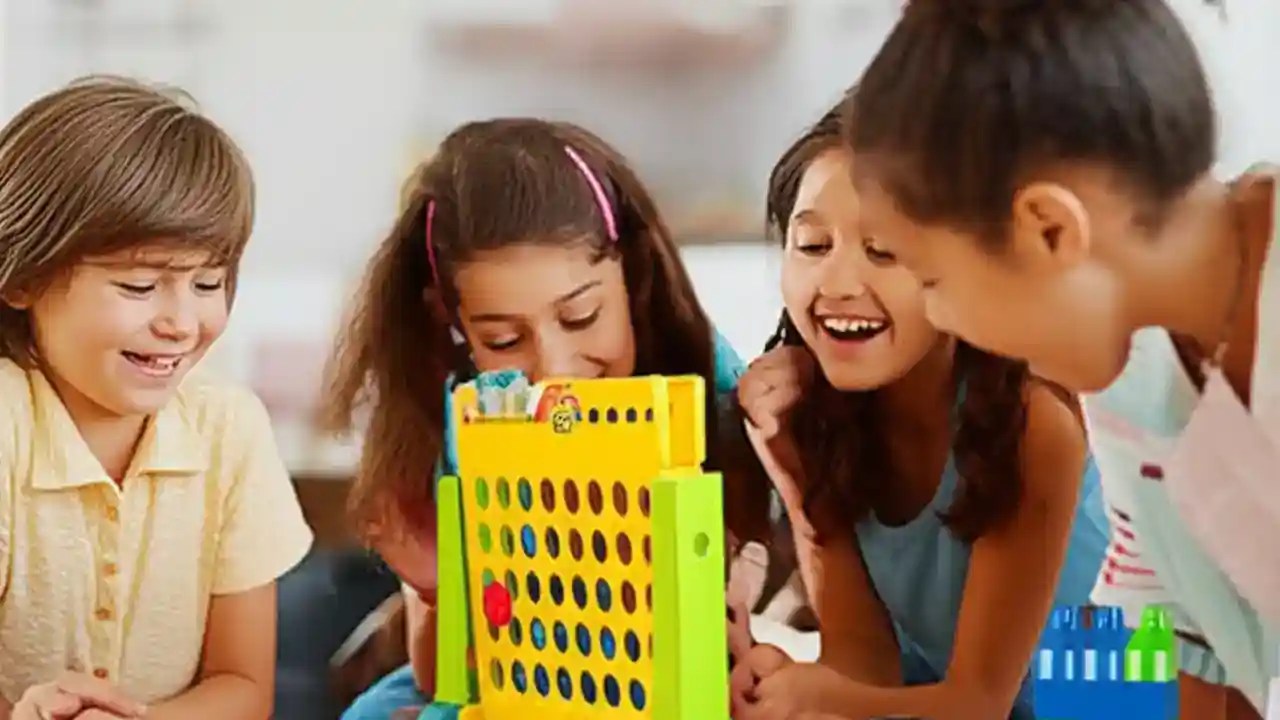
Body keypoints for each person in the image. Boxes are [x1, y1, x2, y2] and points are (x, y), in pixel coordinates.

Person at [844, 1, 1275, 718]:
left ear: (1048, 230)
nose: (936, 316)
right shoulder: (1134, 366)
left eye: (932, 281)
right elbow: (1182, 630)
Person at [321, 118, 769, 719]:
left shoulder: (706, 388)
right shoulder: (467, 417)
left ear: (632, 276)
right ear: (451, 322)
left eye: (581, 317)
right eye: (503, 340)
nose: (554, 370)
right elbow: (445, 679)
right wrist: (435, 589)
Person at [730, 106, 1108, 720]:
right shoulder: (822, 414)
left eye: (884, 250)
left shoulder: (1032, 423)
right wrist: (795, 478)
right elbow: (863, 665)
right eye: (813, 246)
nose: (838, 283)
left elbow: (978, 704)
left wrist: (819, 696)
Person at [0, 77, 312, 720]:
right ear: (23, 276)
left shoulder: (228, 426)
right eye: (140, 286)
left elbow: (244, 687)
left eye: (208, 283)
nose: (181, 323)